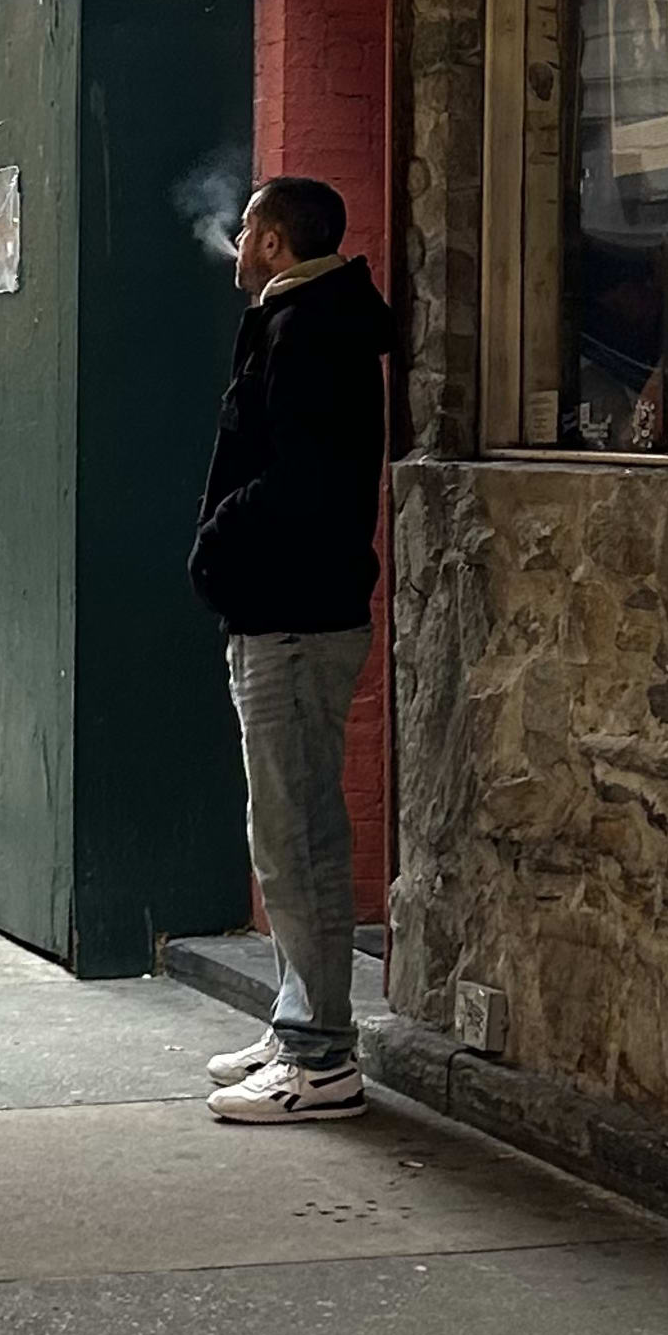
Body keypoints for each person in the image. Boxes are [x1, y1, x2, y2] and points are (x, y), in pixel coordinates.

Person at [189, 174, 395, 1125]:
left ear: (274, 243)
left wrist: (217, 542)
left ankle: (321, 1060)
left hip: (294, 620)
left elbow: (298, 480)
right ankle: (296, 1022)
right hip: (291, 613)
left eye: (245, 230)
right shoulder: (306, 322)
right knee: (285, 831)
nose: (233, 244)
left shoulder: (310, 333)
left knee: (299, 833)